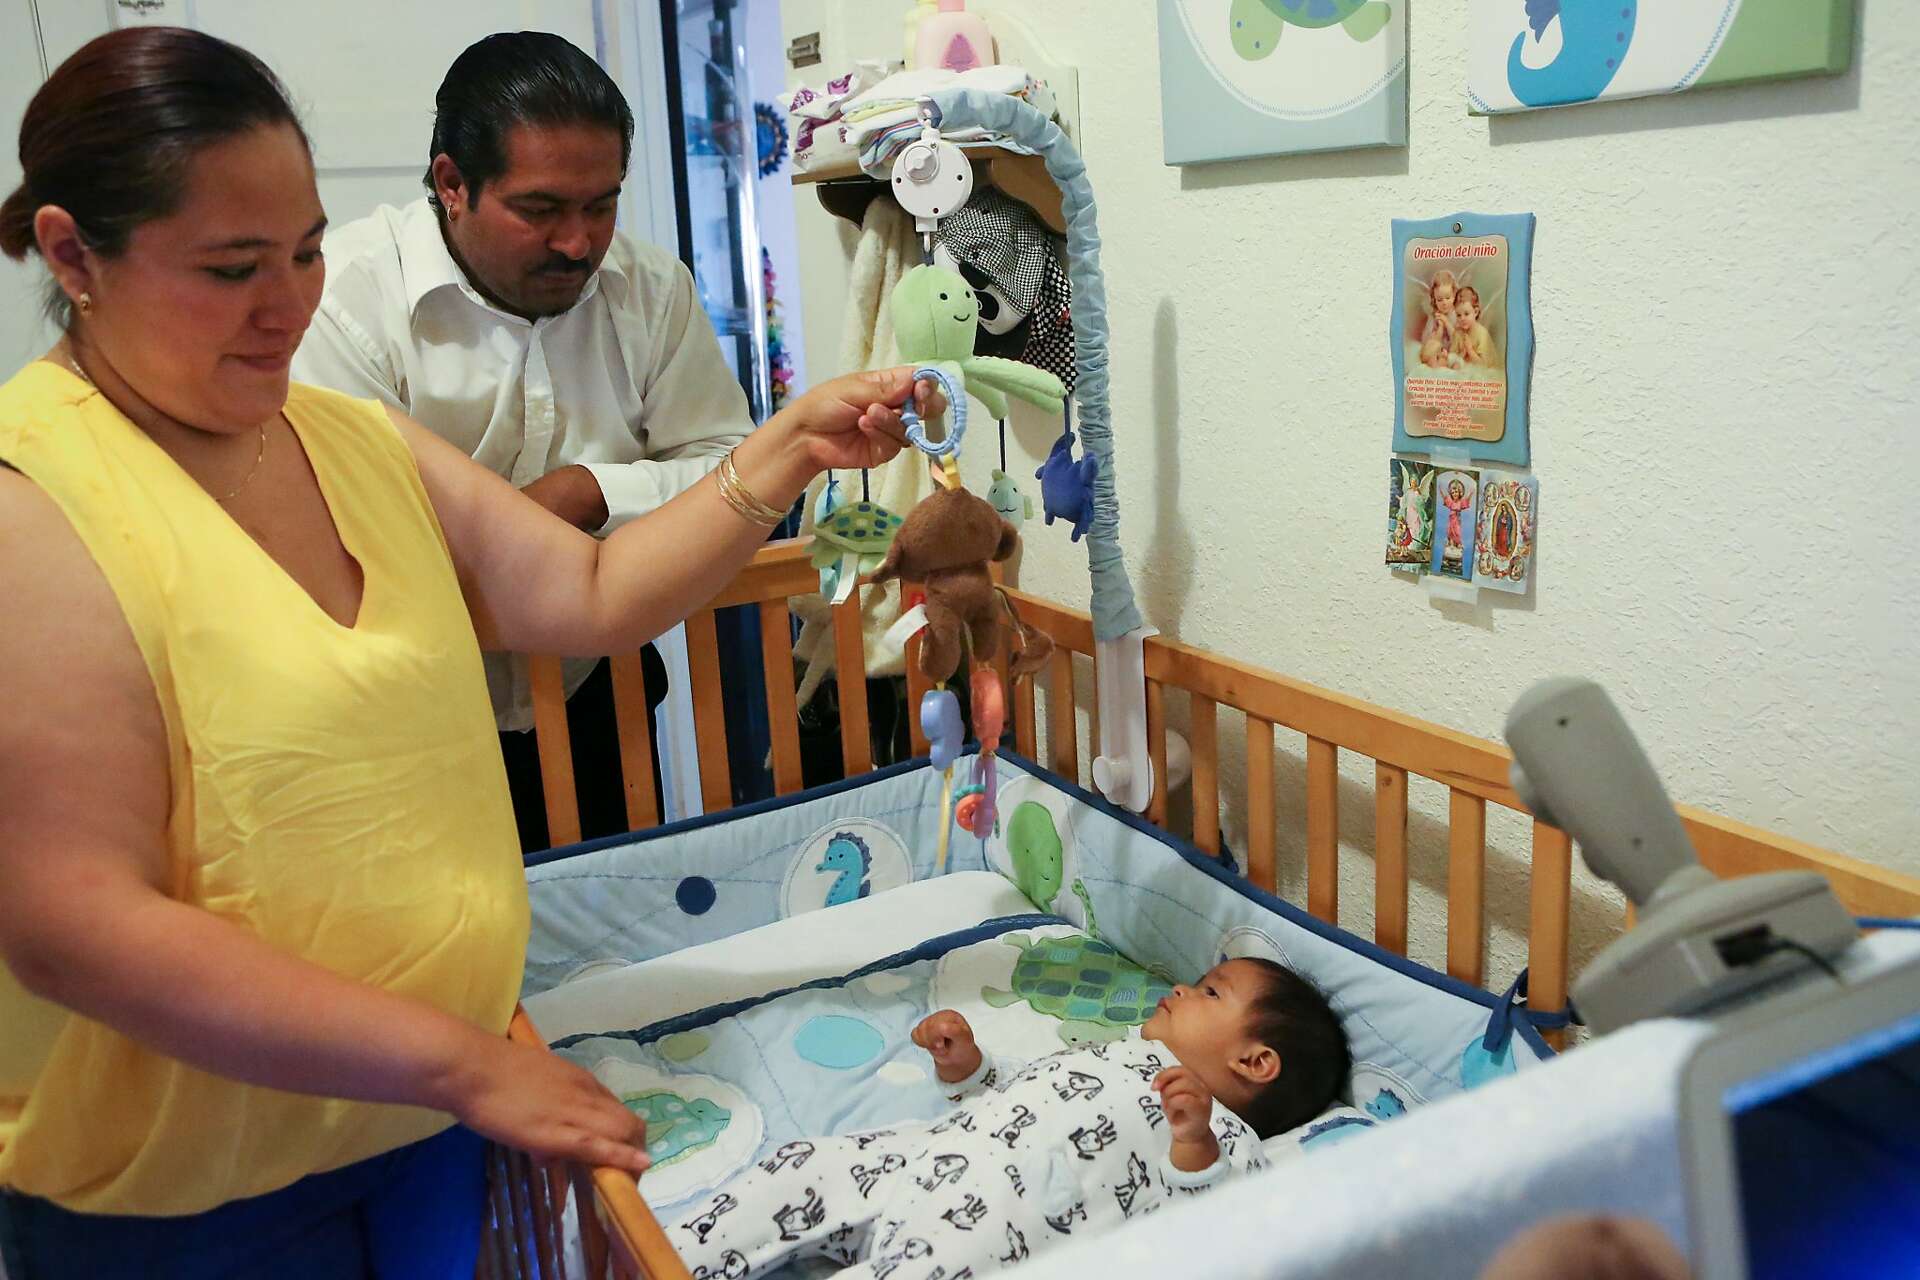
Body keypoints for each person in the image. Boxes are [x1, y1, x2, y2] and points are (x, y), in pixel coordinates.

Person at [0, 27, 924, 1278]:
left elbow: (593, 591)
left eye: (308, 250)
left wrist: (785, 452)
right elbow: (72, 921)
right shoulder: (35, 495)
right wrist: (466, 1061)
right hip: (201, 1182)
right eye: (230, 270)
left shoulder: (346, 437)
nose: (289, 307)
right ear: (73, 255)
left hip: (428, 1117)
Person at [291, 31, 750, 850]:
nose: (577, 242)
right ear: (452, 185)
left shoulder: (652, 290)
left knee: (619, 938)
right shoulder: (348, 299)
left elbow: (731, 469)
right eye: (539, 210)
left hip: (596, 685)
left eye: (601, 204)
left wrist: (587, 490)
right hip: (409, 701)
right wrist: (557, 520)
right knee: (448, 954)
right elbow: (350, 532)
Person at [672, 957, 1350, 1278]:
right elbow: (1019, 1095)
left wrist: (1196, 1139)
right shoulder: (1112, 1053)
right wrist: (968, 1068)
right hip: (920, 1157)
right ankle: (661, 1257)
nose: (1179, 987)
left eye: (1210, 991)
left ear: (1255, 1063)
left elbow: (1219, 1221)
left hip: (997, 1226)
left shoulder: (1220, 1131)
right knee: (798, 1169)